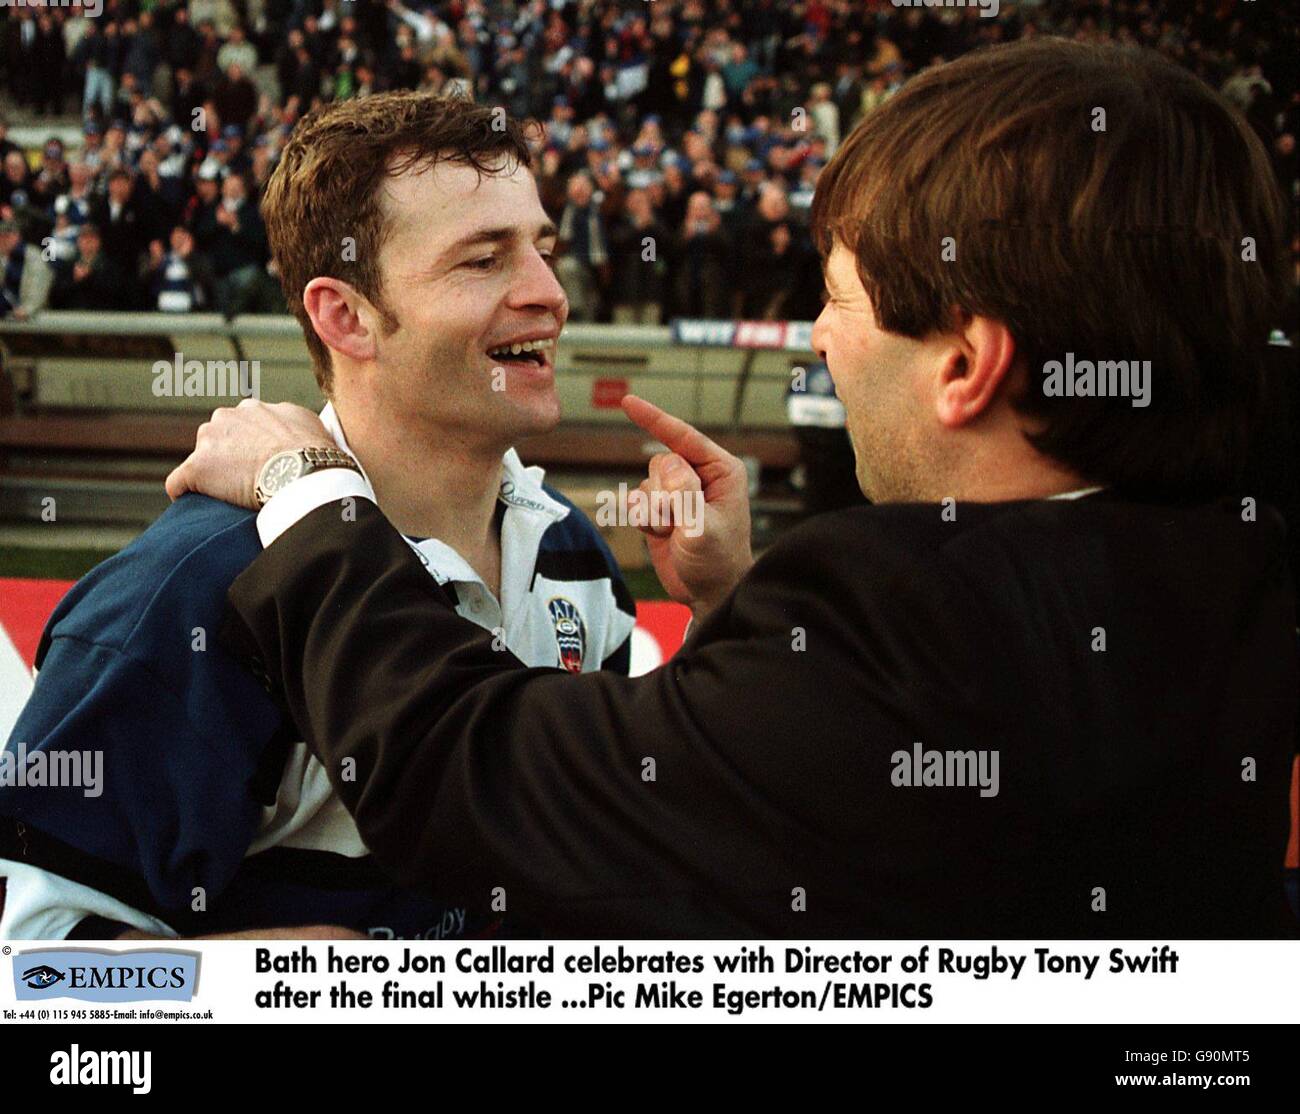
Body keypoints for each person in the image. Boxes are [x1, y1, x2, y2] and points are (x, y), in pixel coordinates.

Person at [169, 40, 1297, 939]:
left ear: (965, 366)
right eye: (484, 255)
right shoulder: (1236, 562)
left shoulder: (899, 625)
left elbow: (486, 783)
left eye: (842, 298)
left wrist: (308, 493)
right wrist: (738, 616)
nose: (820, 336)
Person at [0, 92, 635, 941]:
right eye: (484, 260)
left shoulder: (576, 557)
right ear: (345, 315)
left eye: (543, 250)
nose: (550, 294)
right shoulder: (188, 596)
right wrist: (299, 980)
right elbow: (37, 975)